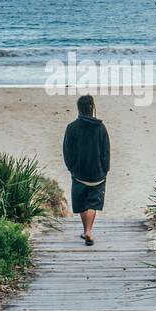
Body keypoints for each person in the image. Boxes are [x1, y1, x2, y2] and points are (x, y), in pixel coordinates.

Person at [62, 94, 110, 246]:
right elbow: (105, 151)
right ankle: (88, 231)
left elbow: (67, 151)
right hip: (97, 173)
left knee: (82, 202)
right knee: (92, 203)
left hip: (79, 173)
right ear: (92, 108)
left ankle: (86, 231)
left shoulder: (71, 128)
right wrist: (105, 169)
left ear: (79, 108)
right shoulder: (101, 128)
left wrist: (71, 168)